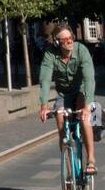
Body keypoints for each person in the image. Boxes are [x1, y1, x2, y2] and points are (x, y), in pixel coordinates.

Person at [38, 26, 97, 175]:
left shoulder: (81, 50)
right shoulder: (50, 54)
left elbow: (89, 78)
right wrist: (44, 105)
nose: (69, 42)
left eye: (71, 38)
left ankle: (91, 160)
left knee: (84, 118)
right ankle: (69, 173)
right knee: (60, 121)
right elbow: (45, 79)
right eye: (65, 40)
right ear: (57, 43)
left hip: (81, 91)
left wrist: (87, 106)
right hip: (63, 95)